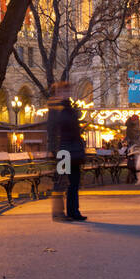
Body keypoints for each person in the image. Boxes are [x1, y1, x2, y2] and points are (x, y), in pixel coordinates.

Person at [46, 80, 87, 222]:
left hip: (74, 149)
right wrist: (53, 150)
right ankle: (58, 213)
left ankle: (74, 211)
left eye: (68, 91)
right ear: (58, 92)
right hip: (62, 149)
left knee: (74, 182)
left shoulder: (70, 108)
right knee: (61, 181)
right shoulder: (55, 108)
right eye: (64, 91)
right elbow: (51, 130)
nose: (67, 94)